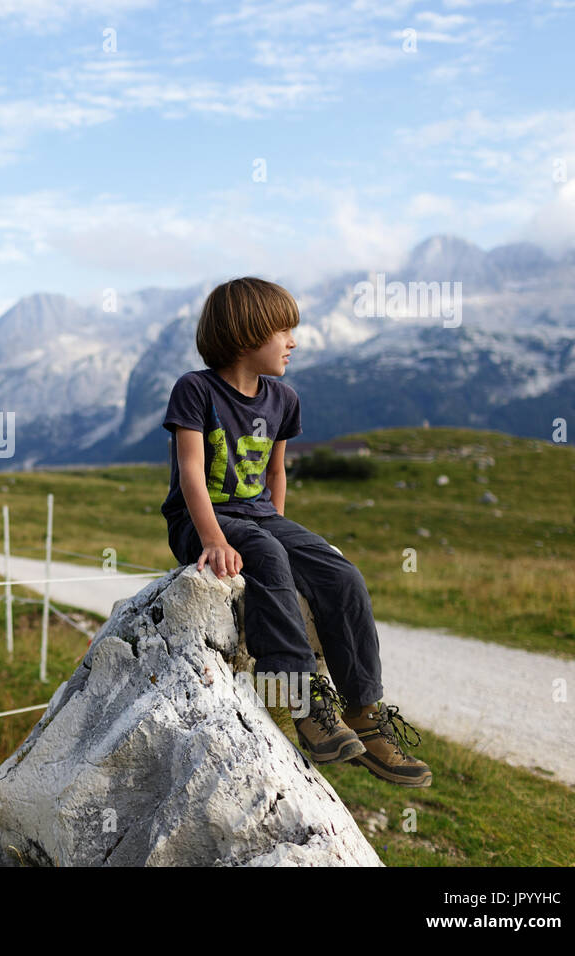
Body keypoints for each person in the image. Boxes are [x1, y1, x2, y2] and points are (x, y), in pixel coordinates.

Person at [161, 276, 431, 788]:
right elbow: (192, 473)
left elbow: (276, 474)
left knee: (341, 573)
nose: (294, 341)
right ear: (245, 336)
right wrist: (216, 539)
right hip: (201, 520)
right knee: (265, 553)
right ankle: (300, 694)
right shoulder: (195, 390)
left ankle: (364, 713)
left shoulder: (283, 398)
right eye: (283, 330)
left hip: (261, 516)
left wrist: (280, 528)